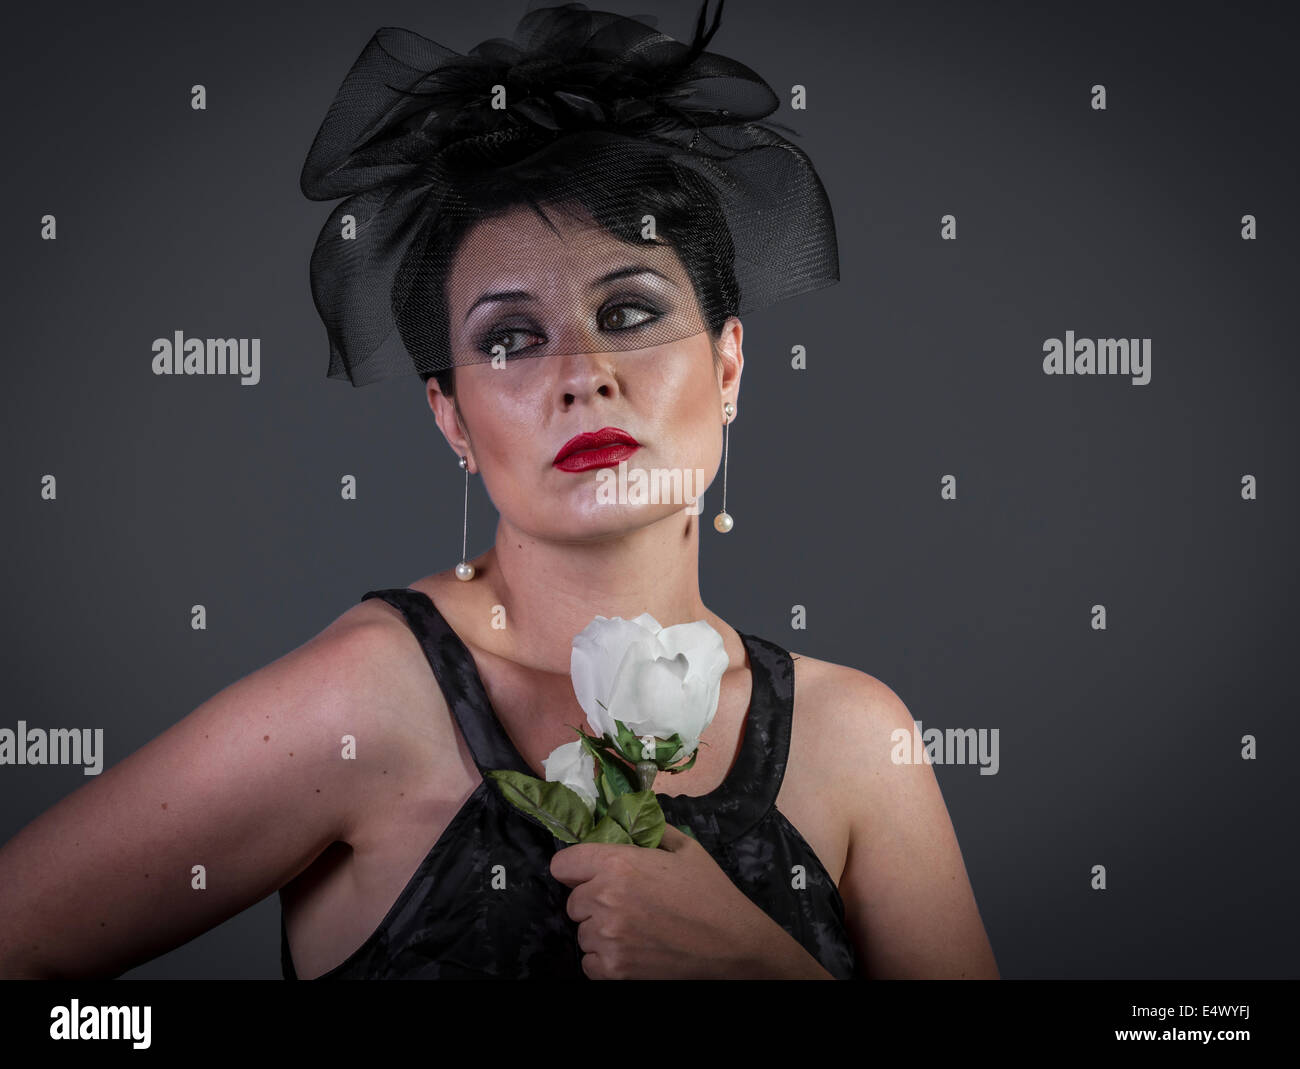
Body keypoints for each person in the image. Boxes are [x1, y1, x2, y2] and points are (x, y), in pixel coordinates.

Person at [0, 1, 998, 980]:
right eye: (510, 339)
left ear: (729, 365)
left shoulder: (855, 737)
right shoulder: (369, 703)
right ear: (450, 416)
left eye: (631, 309)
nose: (581, 371)